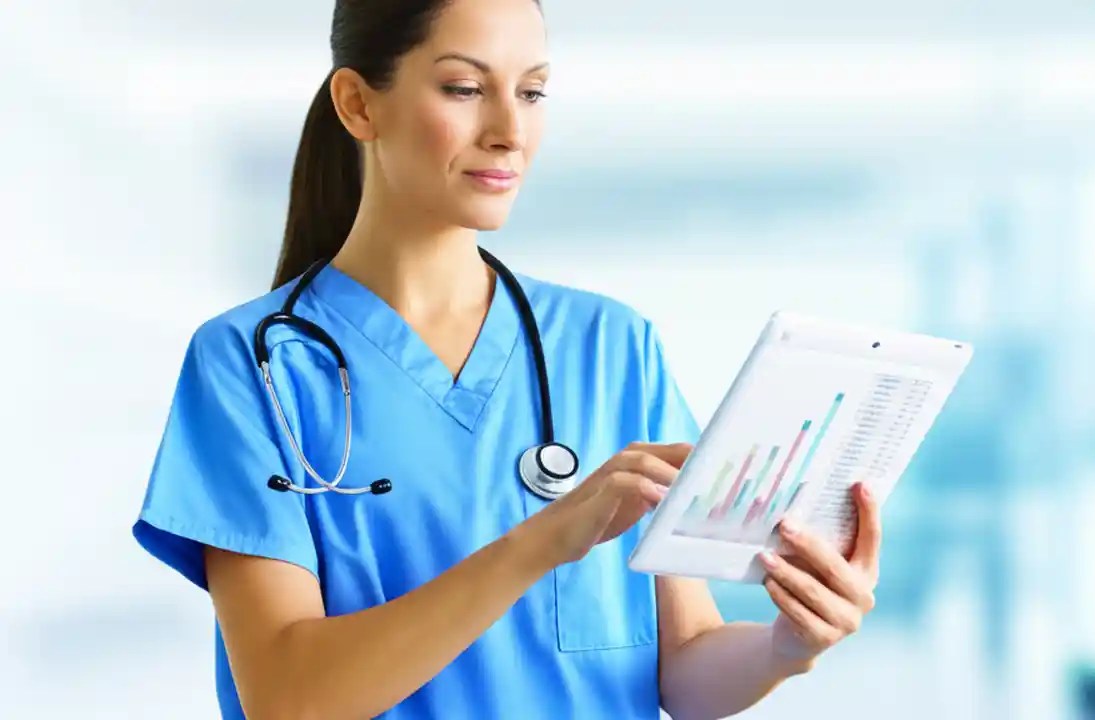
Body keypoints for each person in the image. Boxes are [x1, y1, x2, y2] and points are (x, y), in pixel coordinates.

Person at [131, 0, 882, 718]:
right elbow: (290, 700)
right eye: (464, 88)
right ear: (359, 105)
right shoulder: (251, 365)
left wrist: (788, 645)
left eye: (532, 92)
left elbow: (682, 666)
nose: (509, 130)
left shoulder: (611, 347)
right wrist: (539, 544)